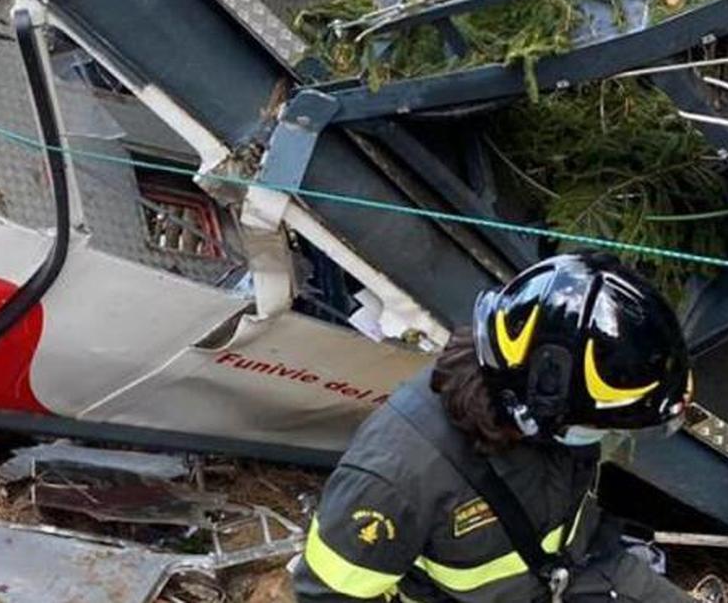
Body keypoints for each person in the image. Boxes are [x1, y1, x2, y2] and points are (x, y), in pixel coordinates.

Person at [294, 253, 694, 602]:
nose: (606, 437)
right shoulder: (396, 478)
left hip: (576, 571)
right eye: (603, 426)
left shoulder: (547, 407)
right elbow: (327, 594)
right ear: (539, 406)